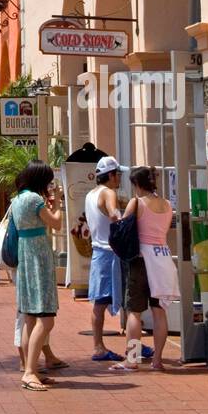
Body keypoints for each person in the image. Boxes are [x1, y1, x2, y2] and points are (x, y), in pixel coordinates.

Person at [111, 166, 175, 373]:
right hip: (162, 258)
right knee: (159, 311)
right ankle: (157, 360)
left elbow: (123, 227)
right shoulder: (167, 204)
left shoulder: (136, 203)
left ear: (137, 184)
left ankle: (132, 359)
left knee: (134, 312)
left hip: (140, 259)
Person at [12, 161, 62, 392]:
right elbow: (56, 223)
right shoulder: (34, 199)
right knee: (45, 319)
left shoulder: (17, 200)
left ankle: (28, 368)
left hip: (25, 256)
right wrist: (58, 202)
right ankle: (31, 371)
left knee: (29, 318)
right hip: (38, 258)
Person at [86, 155, 126, 362]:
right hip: (111, 253)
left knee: (99, 301)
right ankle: (128, 346)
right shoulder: (108, 192)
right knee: (126, 300)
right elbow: (113, 215)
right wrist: (127, 221)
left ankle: (98, 344)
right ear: (111, 175)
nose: (119, 178)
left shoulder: (91, 194)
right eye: (118, 174)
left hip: (98, 252)